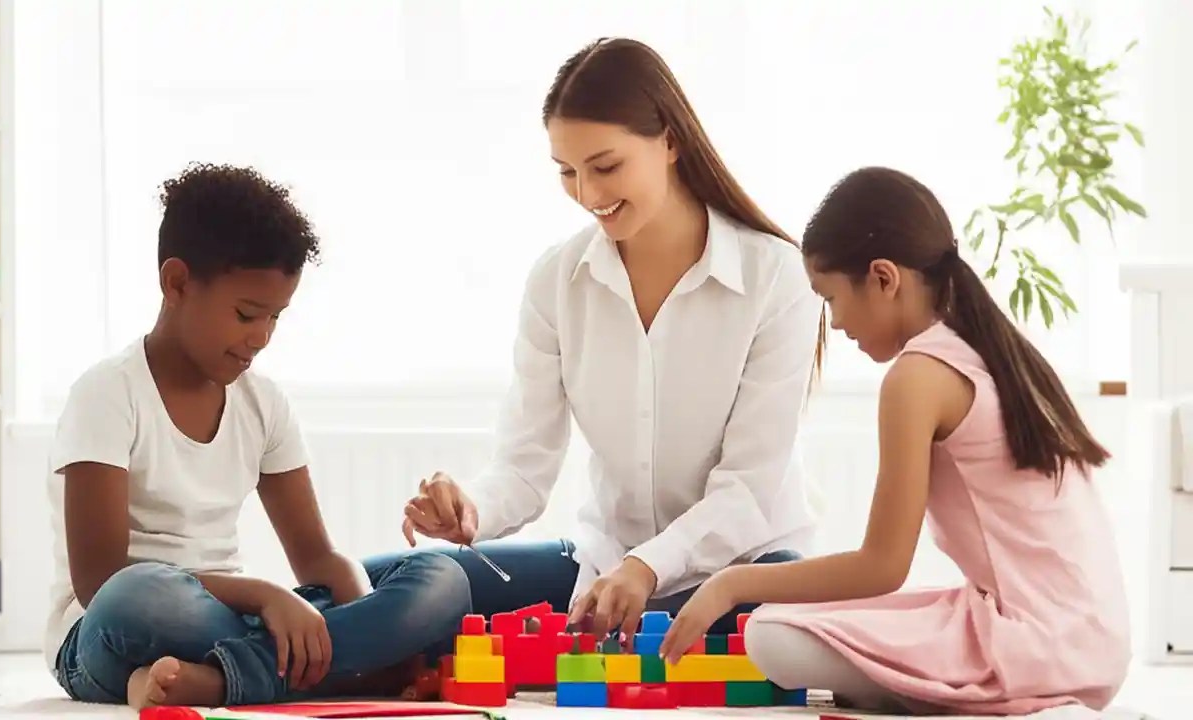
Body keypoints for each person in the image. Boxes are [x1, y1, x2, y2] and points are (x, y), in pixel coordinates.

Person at [364, 36, 824, 644]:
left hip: (742, 577)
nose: (587, 193)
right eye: (567, 171)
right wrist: (468, 510)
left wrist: (646, 567)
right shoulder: (558, 281)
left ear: (669, 140)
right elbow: (525, 469)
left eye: (605, 167)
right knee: (381, 580)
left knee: (772, 636)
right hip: (605, 571)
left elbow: (746, 491)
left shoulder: (775, 275)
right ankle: (252, 657)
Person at [657, 166, 1131, 714]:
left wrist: (730, 584)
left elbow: (882, 566)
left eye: (831, 299)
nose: (833, 325)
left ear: (884, 279)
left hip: (1039, 644)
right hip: (1087, 639)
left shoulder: (918, 377)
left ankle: (992, 697)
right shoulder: (983, 349)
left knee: (769, 633)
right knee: (829, 623)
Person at [45, 164, 470, 709]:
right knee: (142, 594)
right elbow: (99, 580)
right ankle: (337, 669)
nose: (262, 337)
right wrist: (268, 597)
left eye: (276, 317)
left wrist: (355, 608)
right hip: (112, 632)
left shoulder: (262, 402)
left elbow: (318, 559)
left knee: (440, 578)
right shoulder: (107, 394)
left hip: (225, 622)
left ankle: (226, 680)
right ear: (176, 283)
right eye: (247, 314)